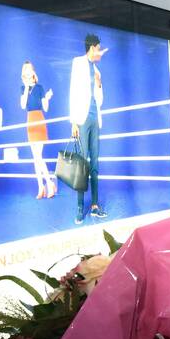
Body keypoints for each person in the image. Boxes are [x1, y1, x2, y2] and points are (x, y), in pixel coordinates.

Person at [69, 33, 105, 223]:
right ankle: (79, 207)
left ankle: (95, 206)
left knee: (95, 164)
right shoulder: (78, 63)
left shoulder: (97, 70)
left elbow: (100, 100)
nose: (99, 52)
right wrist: (73, 121)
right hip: (82, 120)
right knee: (82, 165)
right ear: (92, 47)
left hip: (94, 119)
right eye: (98, 48)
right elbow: (73, 91)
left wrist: (98, 86)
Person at [19, 61, 55, 200]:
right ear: (24, 73)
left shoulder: (40, 88)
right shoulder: (23, 88)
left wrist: (47, 98)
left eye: (29, 69)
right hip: (30, 121)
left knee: (38, 157)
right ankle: (41, 187)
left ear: (33, 71)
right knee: (35, 158)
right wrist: (27, 88)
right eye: (25, 70)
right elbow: (23, 105)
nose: (28, 72)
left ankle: (49, 184)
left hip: (39, 119)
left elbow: (45, 107)